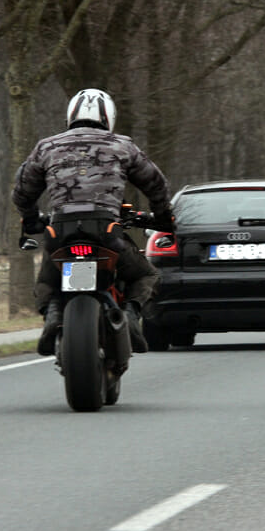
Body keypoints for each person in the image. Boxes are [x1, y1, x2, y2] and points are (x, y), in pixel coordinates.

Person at [12, 88, 174, 357]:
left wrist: (30, 219)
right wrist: (163, 217)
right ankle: (131, 316)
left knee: (47, 279)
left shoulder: (47, 146)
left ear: (70, 116)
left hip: (60, 230)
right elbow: (156, 184)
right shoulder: (122, 145)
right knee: (147, 274)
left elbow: (22, 192)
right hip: (106, 231)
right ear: (109, 117)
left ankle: (52, 316)